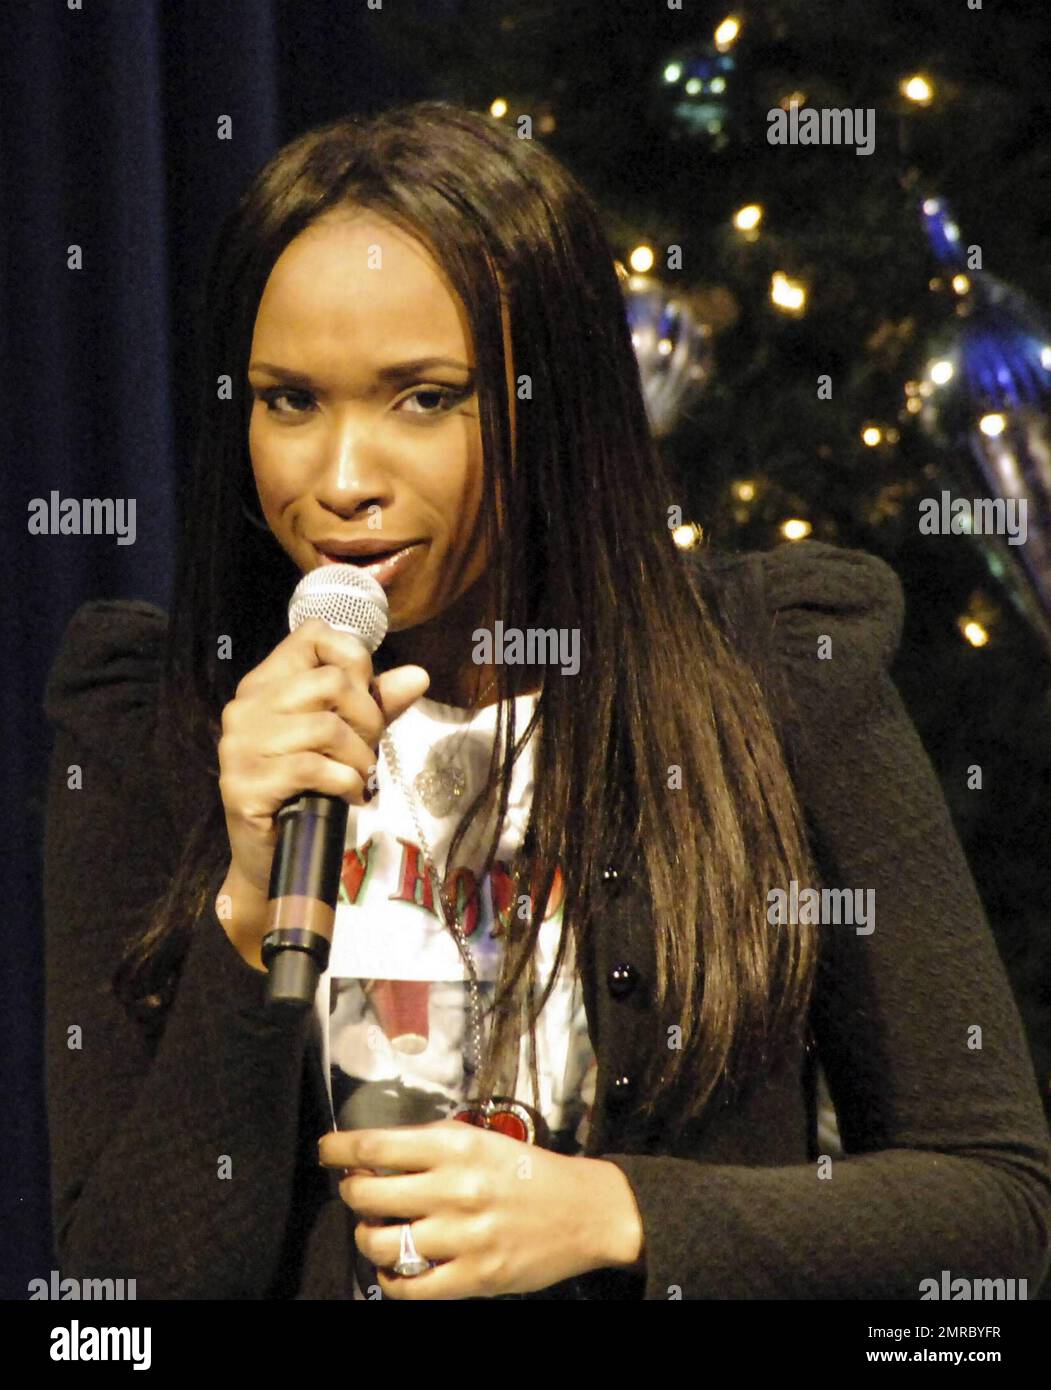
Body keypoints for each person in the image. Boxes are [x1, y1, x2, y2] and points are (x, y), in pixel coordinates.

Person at [42, 101, 1051, 1301]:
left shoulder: (771, 675)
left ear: (551, 399)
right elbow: (115, 1307)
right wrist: (250, 905)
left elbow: (993, 1204)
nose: (342, 477)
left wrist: (621, 1213)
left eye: (423, 397)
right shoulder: (153, 721)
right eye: (289, 400)